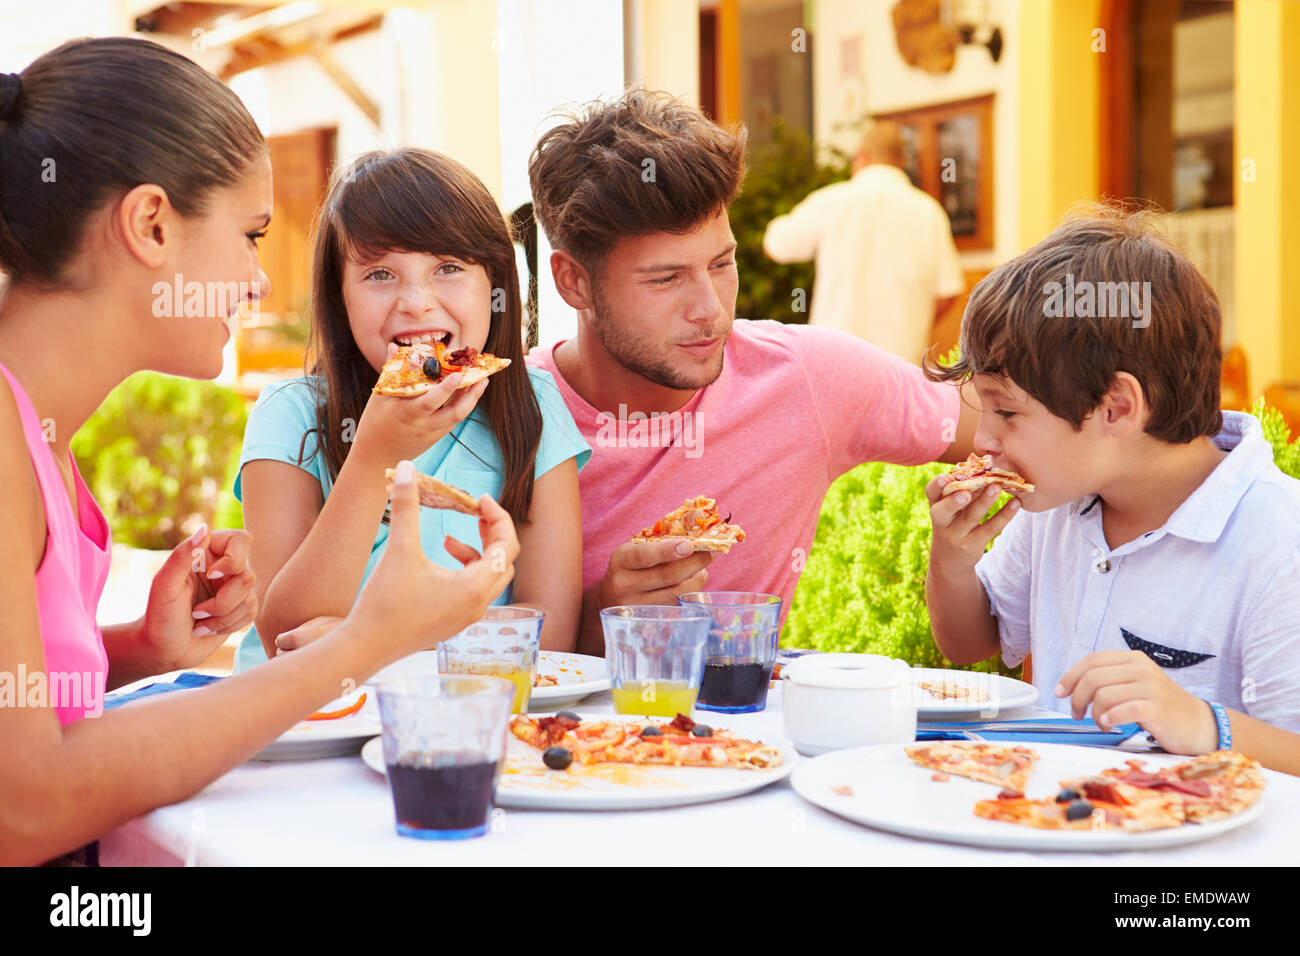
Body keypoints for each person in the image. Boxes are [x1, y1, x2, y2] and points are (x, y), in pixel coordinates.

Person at [0, 38, 518, 866]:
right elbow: (20, 808)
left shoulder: (37, 434)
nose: (261, 282)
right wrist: (361, 646)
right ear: (151, 224)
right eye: (250, 235)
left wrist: (138, 650)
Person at [525, 90, 977, 657]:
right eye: (666, 279)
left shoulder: (805, 377)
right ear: (573, 282)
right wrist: (605, 614)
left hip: (753, 738)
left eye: (722, 264)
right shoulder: (507, 414)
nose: (711, 309)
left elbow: (1014, 420)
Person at [923, 207, 1300, 775]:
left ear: (1116, 407)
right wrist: (952, 558)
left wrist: (1201, 721)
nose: (983, 441)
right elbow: (971, 641)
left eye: (1006, 411)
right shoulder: (1060, 499)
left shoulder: (1278, 542)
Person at [235, 148, 589, 669]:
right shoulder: (289, 417)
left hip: (467, 717)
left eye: (448, 267)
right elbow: (285, 639)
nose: (417, 302)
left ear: (494, 284)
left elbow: (550, 638)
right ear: (340, 298)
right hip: (307, 731)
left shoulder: (533, 407)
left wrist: (373, 642)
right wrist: (375, 452)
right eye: (379, 274)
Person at [762, 121, 964, 364]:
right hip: (902, 362)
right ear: (900, 161)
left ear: (862, 157)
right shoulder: (929, 211)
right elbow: (949, 292)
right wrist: (916, 322)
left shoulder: (832, 200)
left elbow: (775, 245)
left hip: (835, 357)